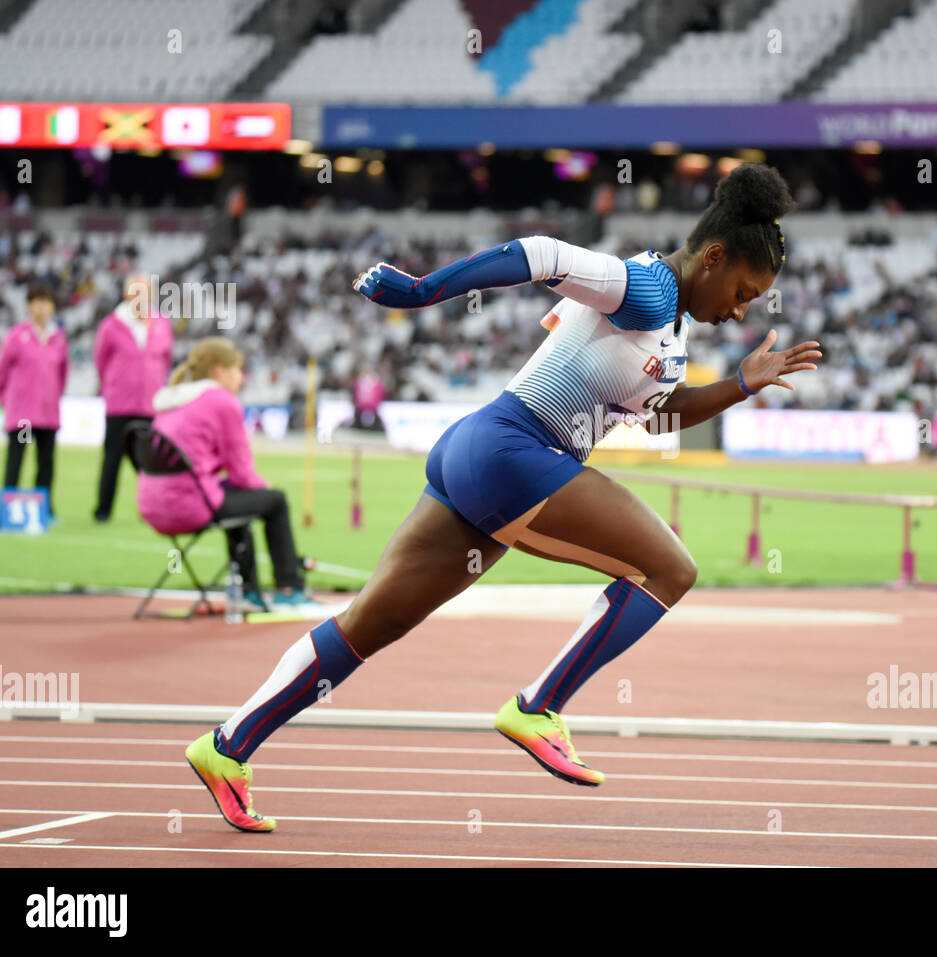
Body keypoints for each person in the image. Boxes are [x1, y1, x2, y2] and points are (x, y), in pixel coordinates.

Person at [183, 163, 822, 832]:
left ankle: (228, 745)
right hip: (514, 454)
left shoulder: (669, 329)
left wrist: (741, 385)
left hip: (477, 452)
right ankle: (539, 705)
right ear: (714, 255)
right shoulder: (648, 286)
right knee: (669, 568)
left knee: (374, 621)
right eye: (744, 290)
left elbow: (656, 414)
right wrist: (424, 290)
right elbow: (539, 255)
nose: (743, 309)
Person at [137, 338, 308, 610]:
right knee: (274, 500)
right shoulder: (220, 401)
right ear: (219, 371)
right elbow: (242, 475)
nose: (242, 377)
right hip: (189, 506)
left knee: (235, 498)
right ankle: (288, 587)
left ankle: (248, 590)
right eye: (238, 369)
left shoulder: (172, 398)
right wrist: (264, 486)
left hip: (151, 505)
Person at [93, 274, 173, 522]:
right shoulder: (111, 324)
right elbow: (101, 361)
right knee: (112, 458)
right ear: (127, 295)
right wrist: (116, 384)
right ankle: (103, 510)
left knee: (148, 461)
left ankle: (151, 509)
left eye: (145, 291)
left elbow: (166, 360)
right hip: (120, 403)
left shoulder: (161, 324)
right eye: (135, 291)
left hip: (151, 403)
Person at [0, 282, 67, 519]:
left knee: (46, 464)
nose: (43, 307)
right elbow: (0, 375)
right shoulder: (16, 336)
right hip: (23, 415)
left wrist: (54, 396)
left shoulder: (58, 338)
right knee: (17, 460)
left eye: (47, 302)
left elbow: (62, 373)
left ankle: (44, 510)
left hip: (47, 414)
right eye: (38, 302)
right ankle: (7, 510)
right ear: (29, 306)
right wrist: (10, 402)